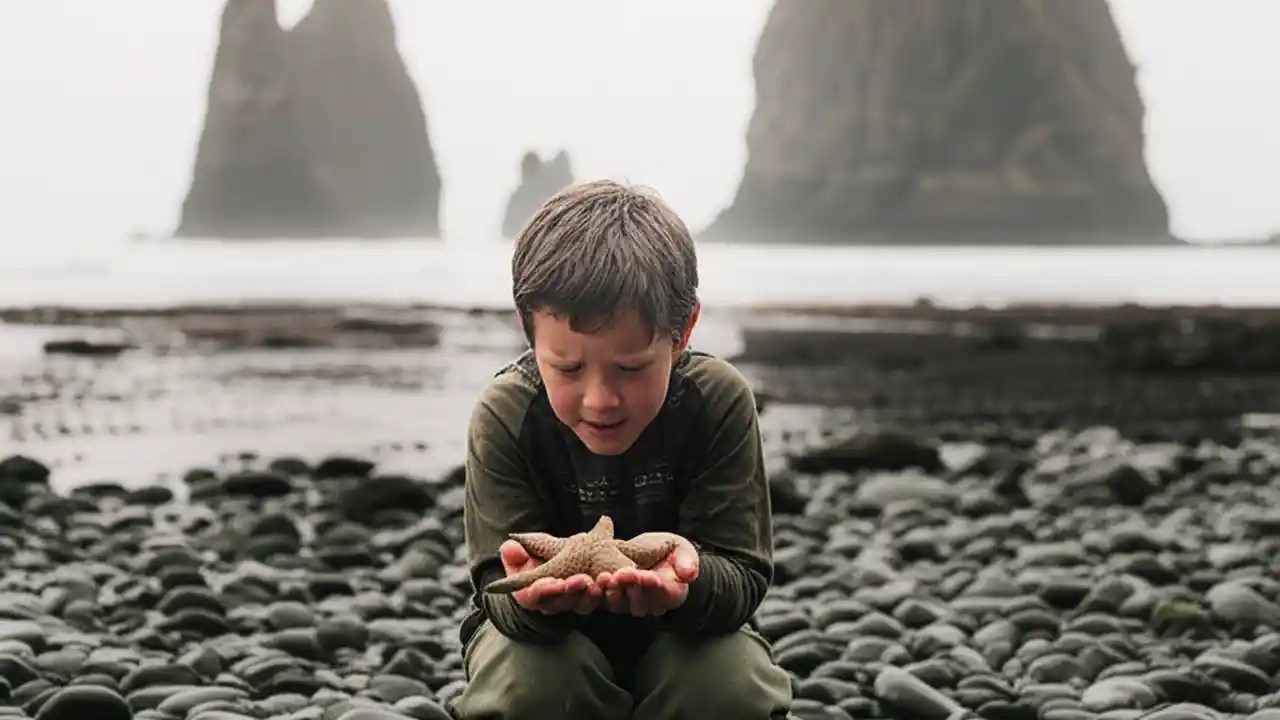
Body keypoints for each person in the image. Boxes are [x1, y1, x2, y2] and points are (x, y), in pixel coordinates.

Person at [453, 179, 794, 719]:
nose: (601, 399)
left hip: (686, 637)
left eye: (632, 367)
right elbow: (497, 589)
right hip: (542, 644)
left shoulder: (716, 401)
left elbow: (744, 576)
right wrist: (533, 597)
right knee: (534, 685)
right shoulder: (507, 412)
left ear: (683, 331)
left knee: (729, 689)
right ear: (528, 331)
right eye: (567, 368)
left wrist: (688, 582)